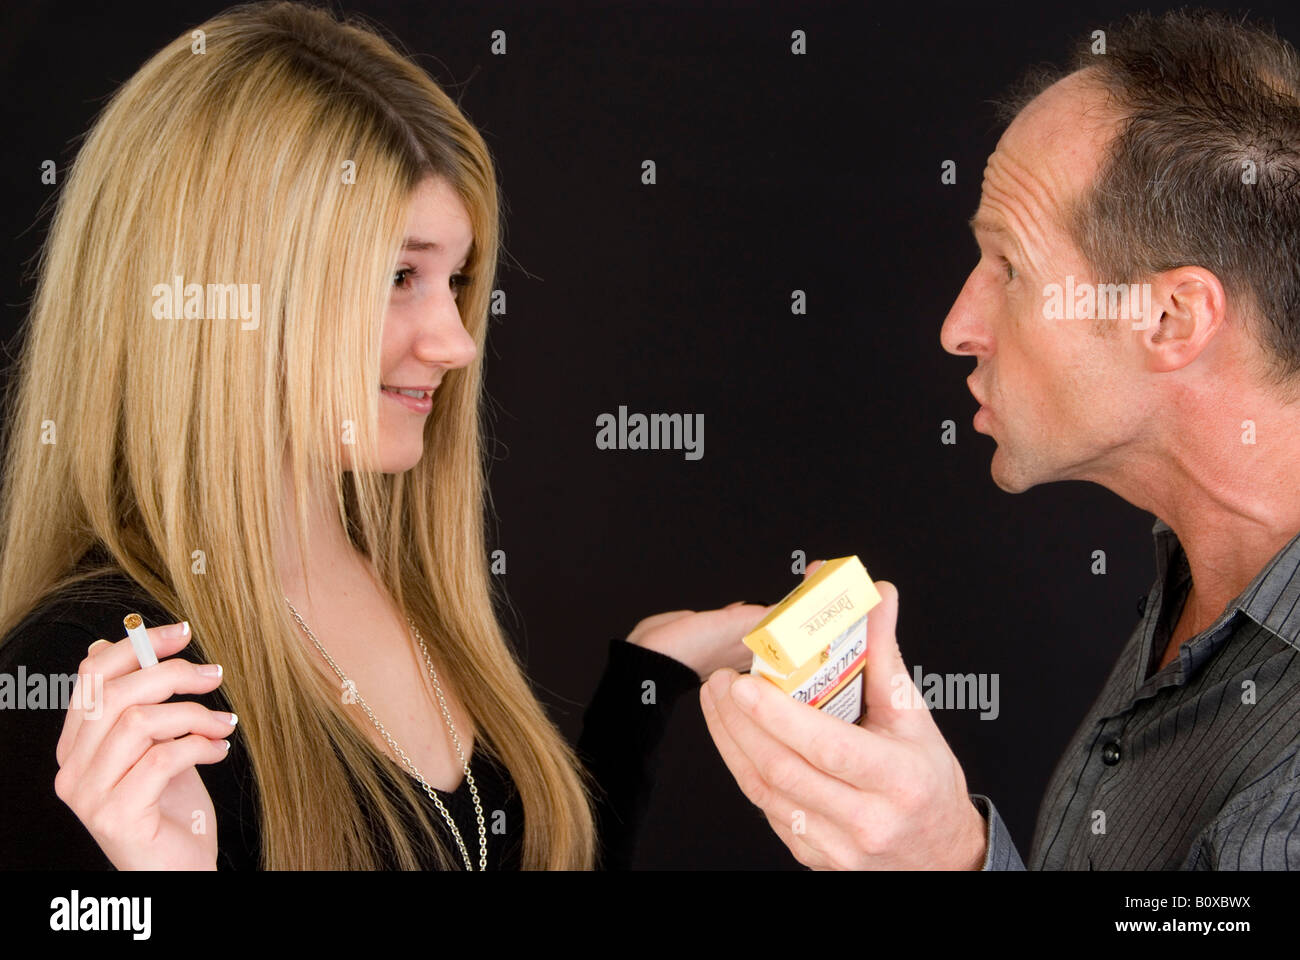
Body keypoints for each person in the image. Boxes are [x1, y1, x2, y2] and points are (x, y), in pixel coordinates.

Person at [0, 1, 767, 870]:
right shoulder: (96, 692)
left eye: (457, 278)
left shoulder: (404, 584)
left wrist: (647, 678)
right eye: (399, 274)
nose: (457, 341)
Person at [700, 8, 1300, 870]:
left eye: (1010, 268)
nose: (956, 326)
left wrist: (942, 858)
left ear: (1170, 317)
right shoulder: (1200, 580)